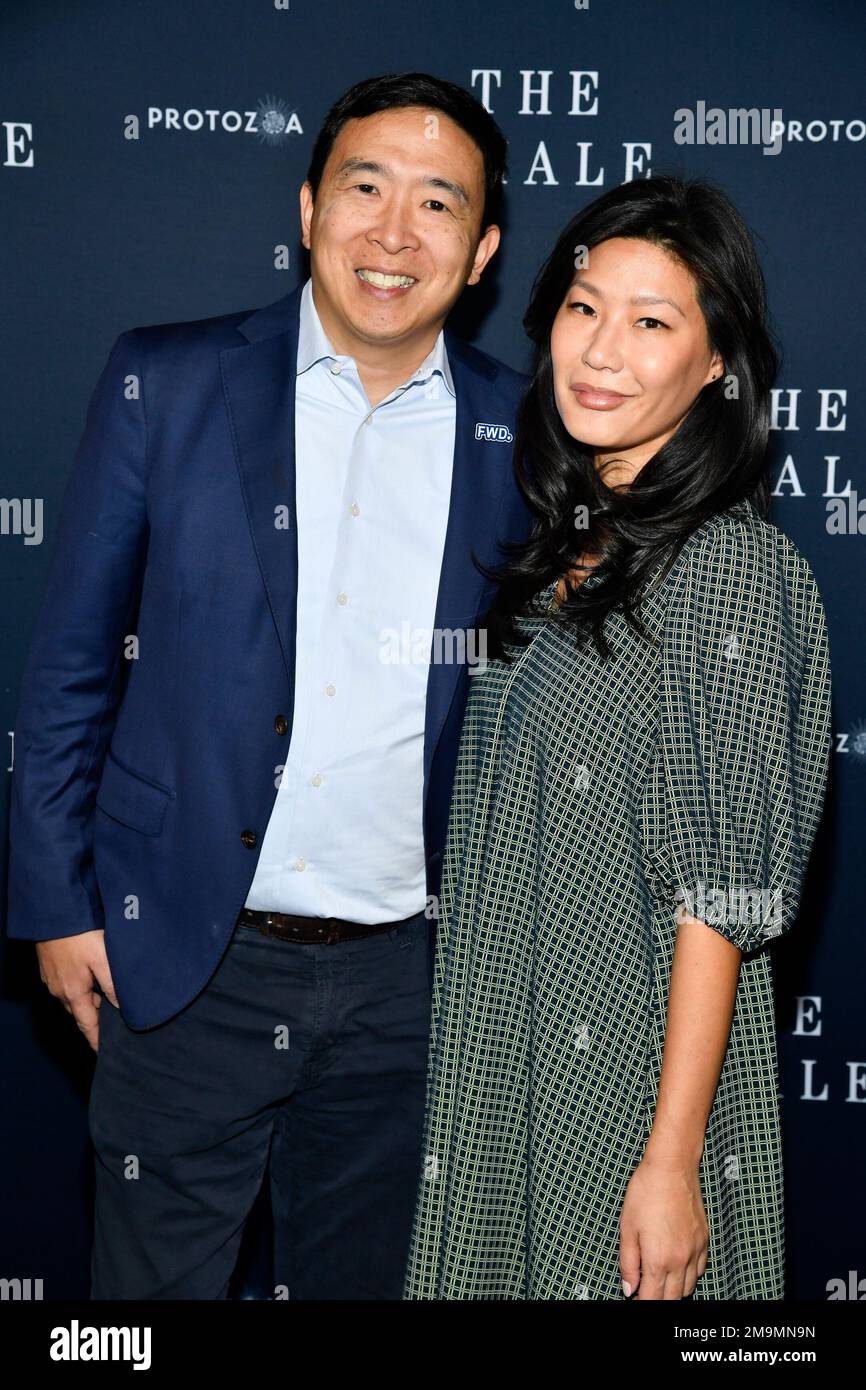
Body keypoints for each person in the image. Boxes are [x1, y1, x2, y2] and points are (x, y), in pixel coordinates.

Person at [5, 72, 532, 1299]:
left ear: (484, 247)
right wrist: (56, 904)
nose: (393, 233)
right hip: (187, 955)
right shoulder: (167, 384)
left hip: (417, 983)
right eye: (364, 188)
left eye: (437, 203)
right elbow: (71, 661)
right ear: (306, 209)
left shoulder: (524, 436)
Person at [402, 175, 833, 1301]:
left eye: (653, 321)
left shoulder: (729, 568)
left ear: (713, 367)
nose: (601, 349)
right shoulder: (563, 554)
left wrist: (670, 1158)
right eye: (585, 306)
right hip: (514, 1047)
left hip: (628, 1088)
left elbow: (719, 899)